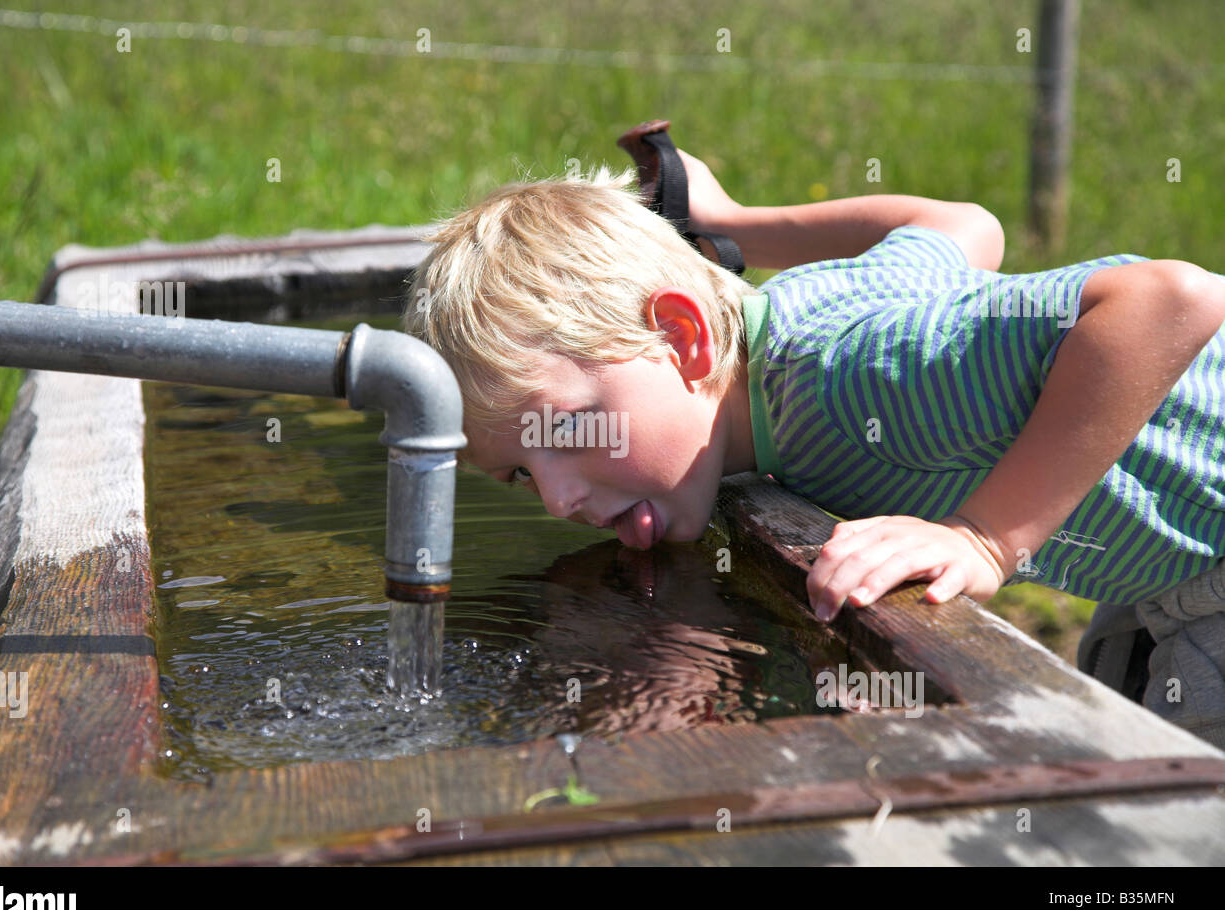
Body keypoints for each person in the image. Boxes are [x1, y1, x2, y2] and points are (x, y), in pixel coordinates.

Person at [401, 126, 1225, 747]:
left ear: (685, 340)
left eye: (569, 427)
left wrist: (984, 540)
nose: (558, 498)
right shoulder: (801, 311)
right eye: (517, 473)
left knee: (1168, 827)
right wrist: (736, 226)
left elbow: (1166, 303)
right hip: (1179, 561)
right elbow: (962, 225)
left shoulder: (855, 379)